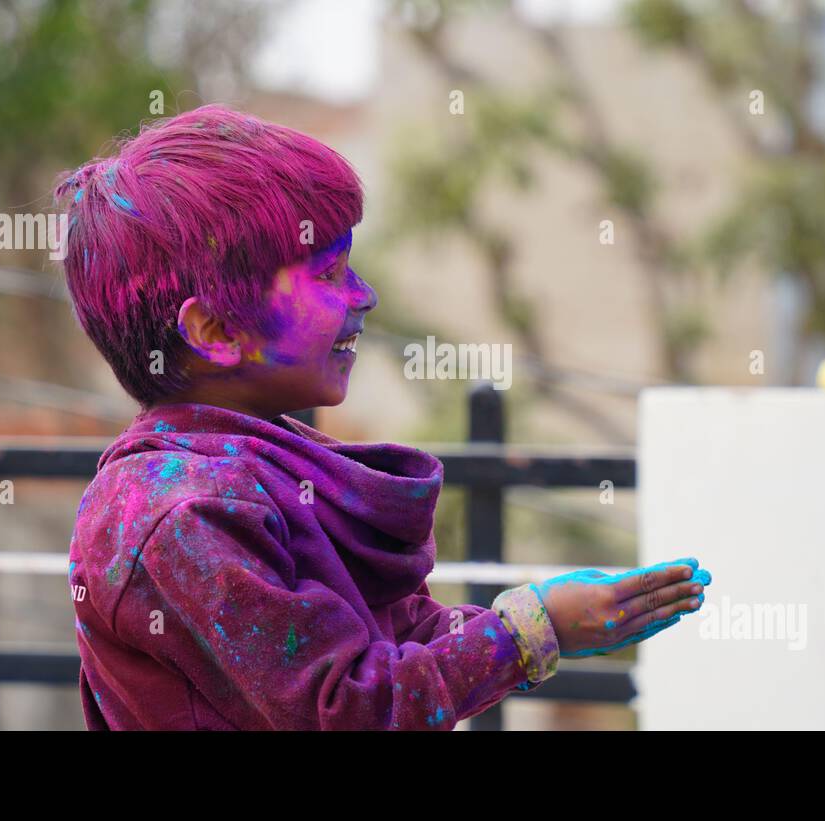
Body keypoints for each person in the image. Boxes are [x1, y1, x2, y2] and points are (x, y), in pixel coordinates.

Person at [56, 104, 710, 730]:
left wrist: (538, 616)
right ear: (216, 328)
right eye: (330, 272)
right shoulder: (183, 513)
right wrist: (531, 629)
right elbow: (352, 708)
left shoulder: (254, 462)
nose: (364, 296)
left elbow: (392, 639)